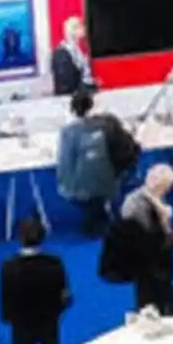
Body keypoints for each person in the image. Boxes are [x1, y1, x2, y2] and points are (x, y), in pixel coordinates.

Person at [121, 165, 173, 315]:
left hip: (162, 266)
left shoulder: (155, 199)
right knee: (153, 308)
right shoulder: (136, 205)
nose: (166, 191)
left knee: (168, 304)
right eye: (165, 187)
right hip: (149, 269)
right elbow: (148, 242)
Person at [57, 91, 118, 237]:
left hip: (83, 186)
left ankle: (95, 219)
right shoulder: (105, 125)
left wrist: (64, 184)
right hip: (107, 180)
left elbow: (65, 161)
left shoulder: (69, 132)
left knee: (76, 187)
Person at [51, 16, 96, 96]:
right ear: (73, 30)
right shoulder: (62, 53)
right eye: (81, 26)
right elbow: (65, 84)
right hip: (70, 98)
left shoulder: (79, 49)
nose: (84, 29)